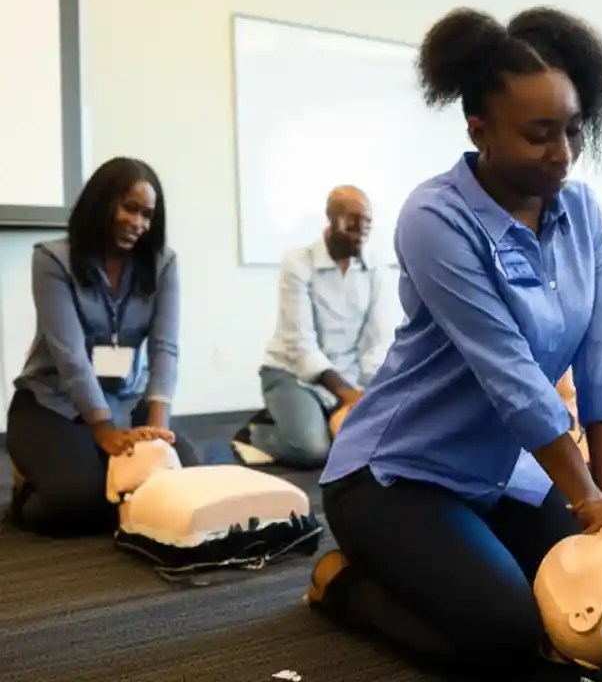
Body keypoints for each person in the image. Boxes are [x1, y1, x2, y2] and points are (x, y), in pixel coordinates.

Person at [304, 7, 602, 679]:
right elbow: (510, 372)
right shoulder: (434, 216)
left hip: (507, 476)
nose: (563, 153)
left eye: (574, 131)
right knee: (504, 632)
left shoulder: (585, 215)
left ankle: (468, 554)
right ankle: (342, 583)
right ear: (479, 129)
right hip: (398, 475)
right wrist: (584, 496)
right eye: (540, 134)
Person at [6, 157, 197, 536]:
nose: (139, 224)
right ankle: (25, 490)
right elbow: (70, 355)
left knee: (182, 472)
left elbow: (165, 348)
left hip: (123, 401)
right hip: (53, 402)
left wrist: (157, 432)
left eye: (147, 215)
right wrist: (105, 430)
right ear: (102, 202)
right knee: (78, 500)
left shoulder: (162, 264)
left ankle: (115, 480)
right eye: (129, 208)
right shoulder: (52, 259)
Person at [231, 185, 391, 469]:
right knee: (313, 450)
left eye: (366, 224)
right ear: (330, 218)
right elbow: (301, 345)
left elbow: (375, 344)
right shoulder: (298, 264)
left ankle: (308, 420)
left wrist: (371, 394)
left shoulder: (375, 268)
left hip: (348, 378)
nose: (361, 232)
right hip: (292, 374)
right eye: (352, 222)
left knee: (380, 442)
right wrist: (348, 396)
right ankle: (257, 433)